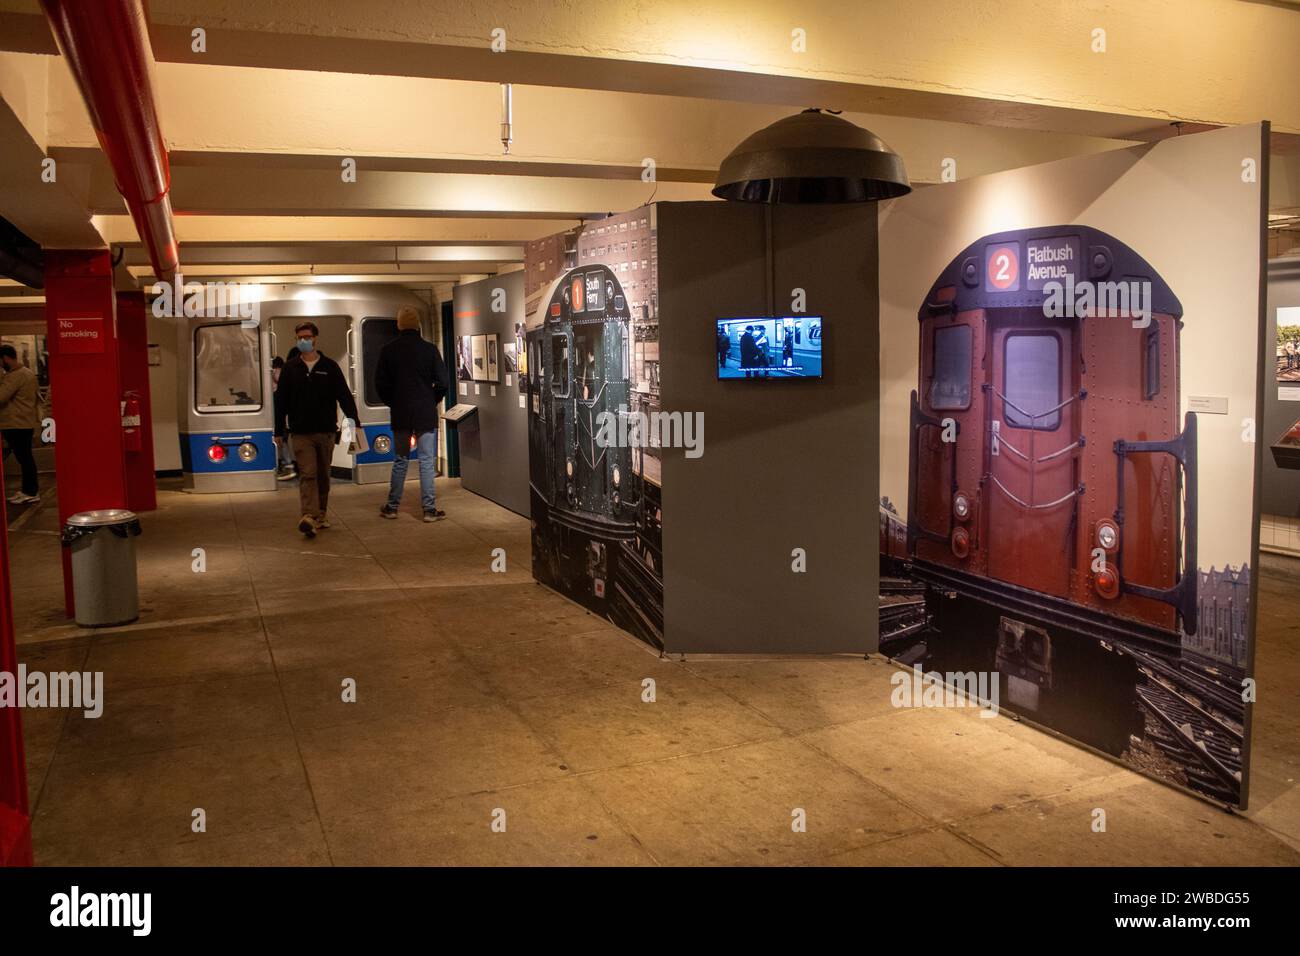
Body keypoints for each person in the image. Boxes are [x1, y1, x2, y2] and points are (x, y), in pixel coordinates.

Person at [273, 321, 361, 538]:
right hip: (300, 432)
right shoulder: (291, 369)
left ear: (315, 338)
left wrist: (355, 423)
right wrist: (278, 431)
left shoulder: (329, 367)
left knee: (323, 475)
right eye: (299, 337)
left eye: (307, 337)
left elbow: (344, 397)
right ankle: (308, 516)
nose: (303, 341)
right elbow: (281, 402)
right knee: (308, 474)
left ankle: (320, 514)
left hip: (326, 431)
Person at [376, 306, 449, 521]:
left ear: (398, 325)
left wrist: (394, 402)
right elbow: (443, 382)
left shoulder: (388, 350)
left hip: (401, 412)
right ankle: (428, 510)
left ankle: (392, 507)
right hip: (425, 412)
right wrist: (431, 399)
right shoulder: (430, 350)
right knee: (426, 461)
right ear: (417, 325)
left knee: (400, 459)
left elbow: (380, 384)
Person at [0, 344, 40, 504]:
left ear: (6, 358)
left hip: (16, 424)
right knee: (25, 458)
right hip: (23, 422)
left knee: (25, 458)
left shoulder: (15, 376)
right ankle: (27, 489)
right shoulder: (27, 373)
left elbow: (1, 397)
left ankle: (31, 491)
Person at [270, 356, 297, 480]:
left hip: (282, 416)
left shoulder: (279, 378)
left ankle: (288, 465)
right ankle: (286, 465)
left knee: (283, 440)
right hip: (282, 415)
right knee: (282, 441)